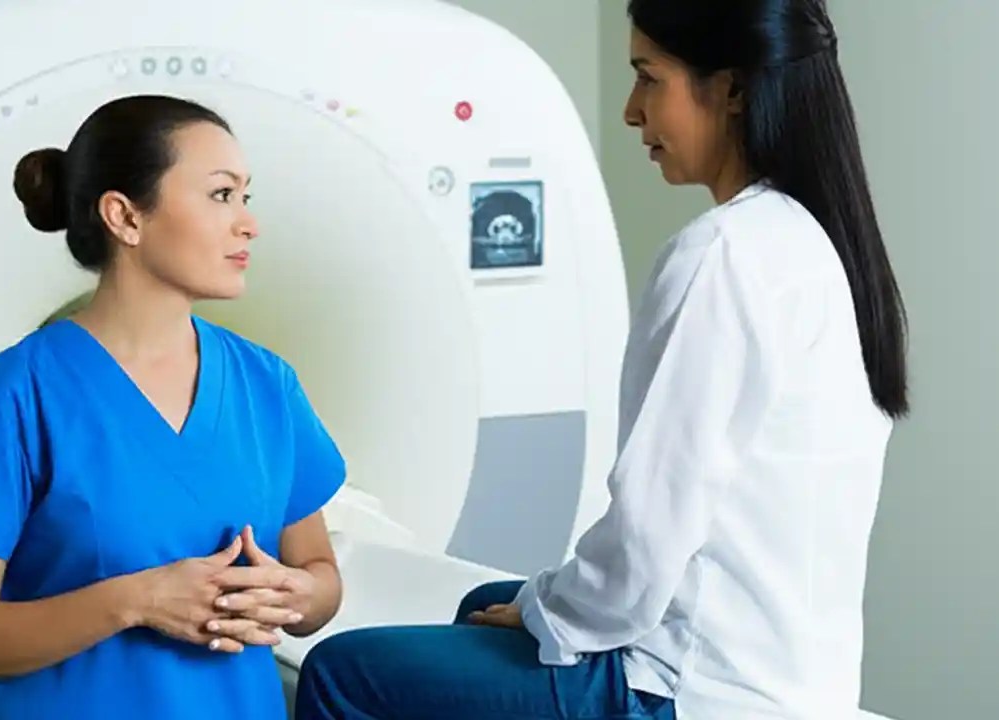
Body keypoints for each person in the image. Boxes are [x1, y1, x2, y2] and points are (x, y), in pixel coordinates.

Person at [295, 0, 908, 718]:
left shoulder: (721, 256)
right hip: (792, 673)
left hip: (689, 687)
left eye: (649, 77)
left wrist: (551, 614)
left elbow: (647, 539)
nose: (630, 110)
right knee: (480, 603)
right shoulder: (819, 245)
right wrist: (539, 605)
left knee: (341, 671)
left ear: (733, 90)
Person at [0, 94, 347, 719]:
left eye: (246, 196)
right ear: (125, 217)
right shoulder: (11, 396)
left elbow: (320, 577)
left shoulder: (267, 383)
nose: (248, 223)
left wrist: (299, 593)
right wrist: (137, 600)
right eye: (220, 194)